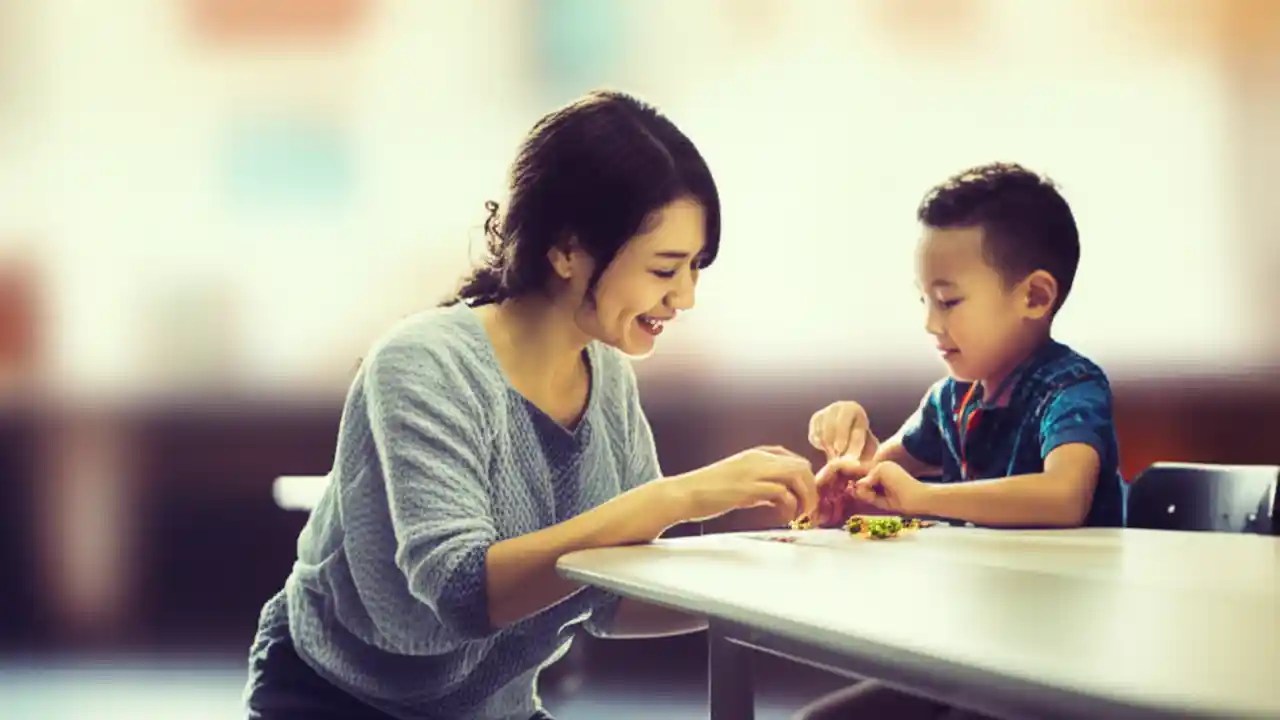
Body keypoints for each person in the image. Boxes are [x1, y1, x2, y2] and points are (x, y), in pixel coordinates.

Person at [243, 90, 818, 720]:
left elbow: (610, 598)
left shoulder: (608, 378)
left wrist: (787, 575)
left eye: (696, 269)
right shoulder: (423, 362)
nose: (685, 298)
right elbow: (464, 592)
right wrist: (677, 497)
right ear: (568, 249)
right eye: (664, 270)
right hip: (342, 699)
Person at [796, 162, 1125, 720]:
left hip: (1066, 664)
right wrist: (849, 460)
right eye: (924, 299)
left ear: (1035, 296)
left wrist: (922, 499)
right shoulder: (951, 398)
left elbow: (1064, 496)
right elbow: (880, 477)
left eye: (948, 301)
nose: (929, 322)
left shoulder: (1070, 387)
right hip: (974, 653)